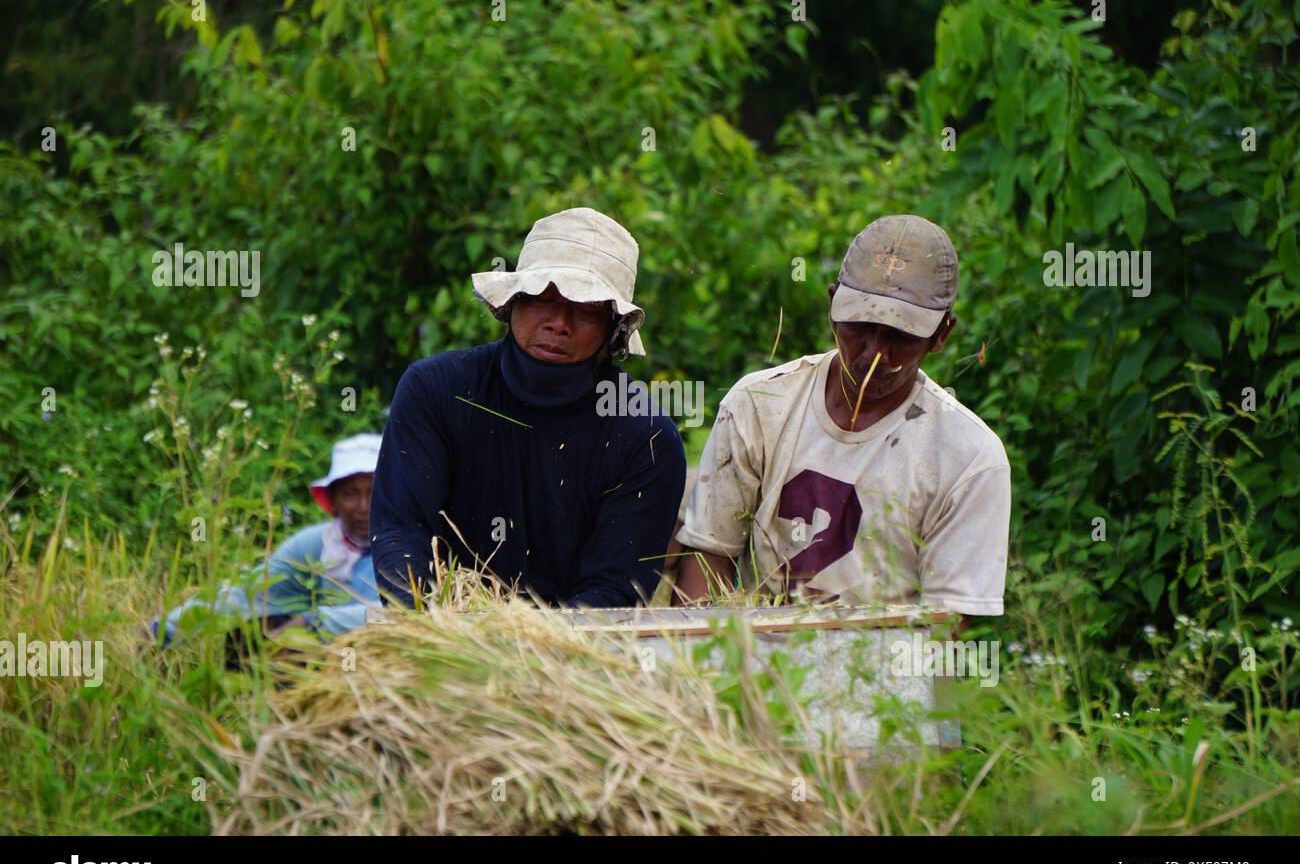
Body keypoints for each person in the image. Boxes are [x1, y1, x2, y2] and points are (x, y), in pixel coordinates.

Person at [673, 215, 1011, 618]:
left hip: (886, 671)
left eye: (901, 336)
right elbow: (709, 556)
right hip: (756, 661)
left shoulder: (969, 456)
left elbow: (946, 626)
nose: (873, 355)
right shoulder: (759, 403)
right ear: (832, 306)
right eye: (860, 327)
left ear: (942, 334)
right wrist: (700, 667)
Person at [370, 207, 686, 609]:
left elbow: (614, 589)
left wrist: (532, 655)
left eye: (585, 308)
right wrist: (432, 628)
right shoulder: (437, 390)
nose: (559, 323)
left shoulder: (645, 435)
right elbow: (401, 534)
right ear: (513, 301)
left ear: (613, 324)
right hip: (444, 630)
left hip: (574, 651)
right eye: (541, 299)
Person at [151, 433, 382, 644]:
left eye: (374, 492)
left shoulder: (410, 547)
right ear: (333, 500)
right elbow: (247, 592)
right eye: (350, 494)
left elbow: (400, 612)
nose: (364, 507)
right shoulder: (315, 545)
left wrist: (316, 624)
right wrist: (165, 630)